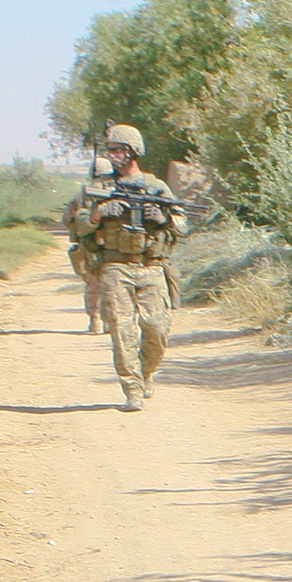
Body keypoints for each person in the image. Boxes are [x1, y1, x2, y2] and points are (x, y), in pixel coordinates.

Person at [73, 124, 186, 410]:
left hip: (152, 266)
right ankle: (132, 390)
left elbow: (182, 224)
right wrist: (99, 213)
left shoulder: (156, 186)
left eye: (117, 150)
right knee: (123, 332)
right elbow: (78, 225)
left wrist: (162, 218)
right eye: (110, 150)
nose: (112, 155)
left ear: (133, 151)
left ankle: (146, 374)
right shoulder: (100, 188)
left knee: (157, 329)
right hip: (115, 266)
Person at [61, 154, 109, 331]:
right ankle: (109, 321)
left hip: (88, 245)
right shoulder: (116, 191)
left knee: (93, 284)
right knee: (111, 284)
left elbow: (67, 220)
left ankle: (95, 320)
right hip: (111, 245)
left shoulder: (81, 194)